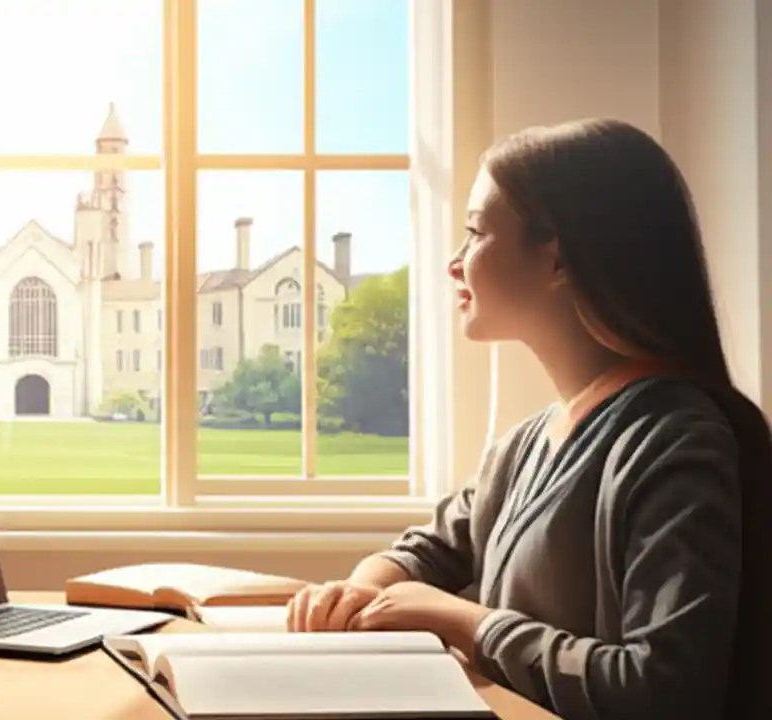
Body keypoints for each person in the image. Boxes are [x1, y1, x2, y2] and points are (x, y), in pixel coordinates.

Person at [286, 118, 772, 719]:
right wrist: (365, 587)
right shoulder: (523, 446)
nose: (454, 263)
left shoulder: (678, 442)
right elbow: (428, 551)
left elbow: (663, 689)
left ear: (559, 260)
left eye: (475, 233)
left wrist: (461, 620)